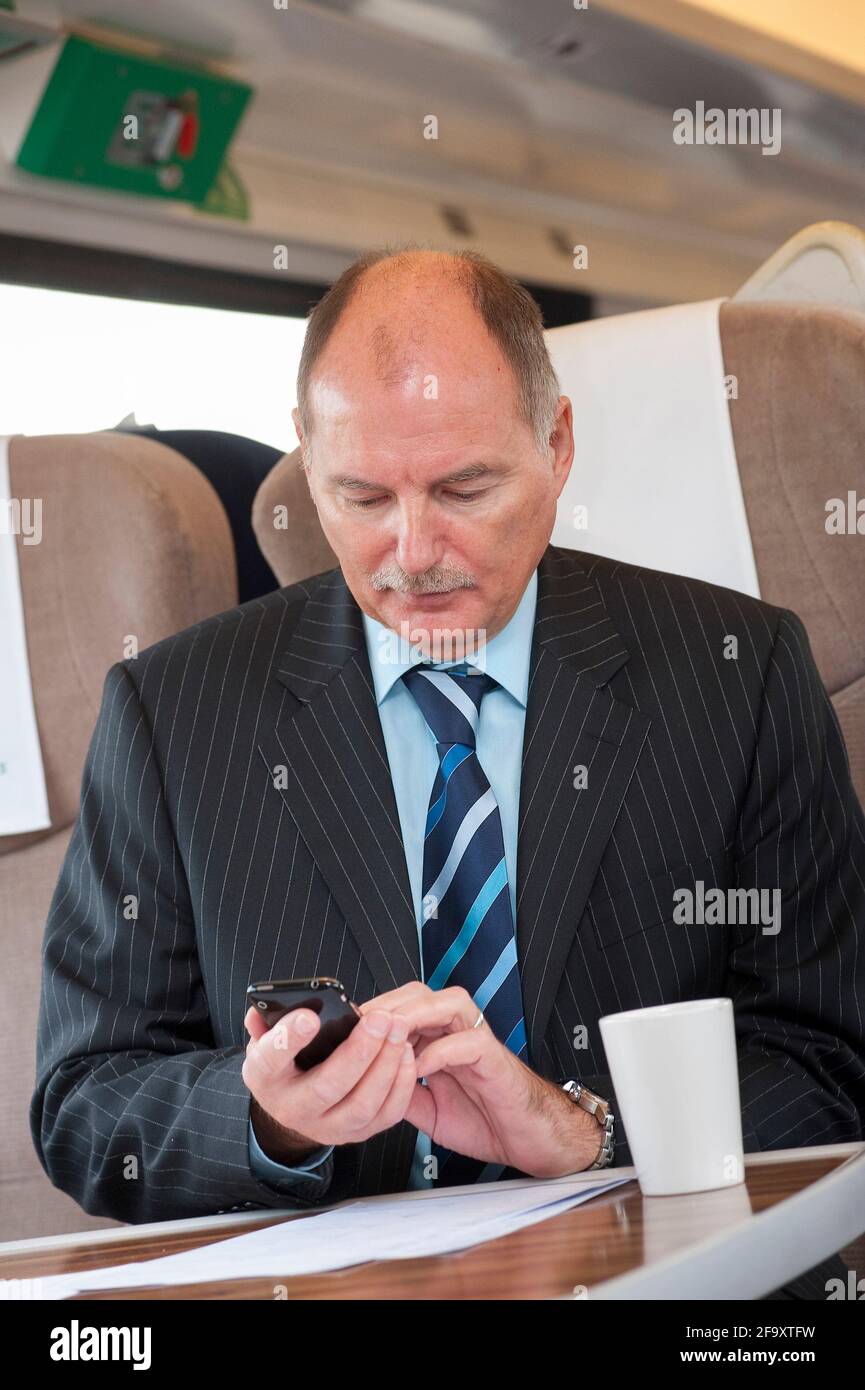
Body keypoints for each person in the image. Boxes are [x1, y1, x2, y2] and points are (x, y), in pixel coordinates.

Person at [32, 247, 864, 1299]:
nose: (413, 551)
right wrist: (268, 1122)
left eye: (464, 486)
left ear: (556, 444)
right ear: (308, 457)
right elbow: (83, 1100)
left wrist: (583, 1125)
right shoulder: (175, 711)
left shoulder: (736, 677)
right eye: (362, 495)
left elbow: (833, 1065)